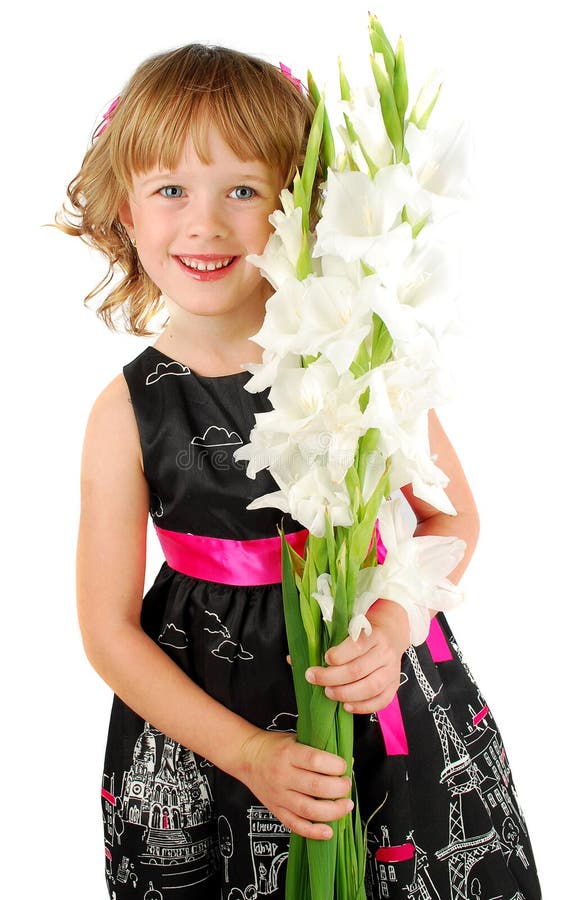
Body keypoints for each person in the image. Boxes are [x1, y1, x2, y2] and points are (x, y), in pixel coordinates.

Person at [59, 43, 542, 900]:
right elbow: (107, 631)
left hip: (381, 701)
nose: (204, 223)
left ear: (299, 208)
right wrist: (249, 752)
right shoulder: (126, 411)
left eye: (242, 190)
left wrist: (393, 624)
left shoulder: (358, 361)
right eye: (171, 189)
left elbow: (450, 519)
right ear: (126, 211)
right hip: (213, 731)